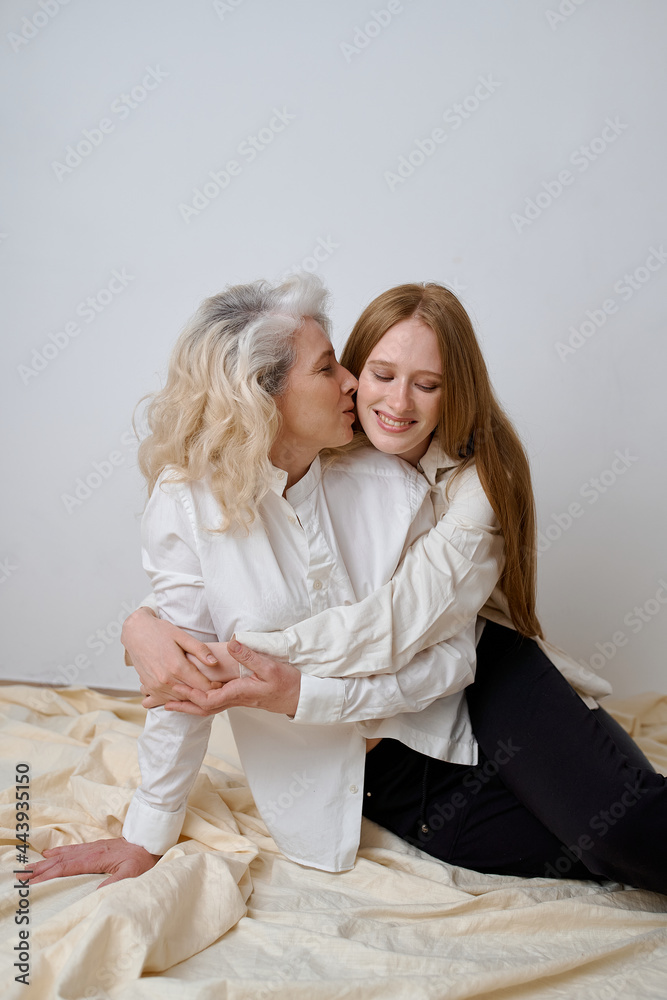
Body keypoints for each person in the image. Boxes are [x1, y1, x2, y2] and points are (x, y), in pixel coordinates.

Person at [28, 278, 667, 893]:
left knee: (621, 830)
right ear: (262, 394)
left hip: (478, 683)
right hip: (391, 782)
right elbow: (182, 677)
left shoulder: (405, 485)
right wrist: (146, 827)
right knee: (596, 848)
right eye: (335, 368)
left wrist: (282, 683)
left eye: (427, 384)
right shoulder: (187, 503)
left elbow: (421, 637)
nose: (358, 385)